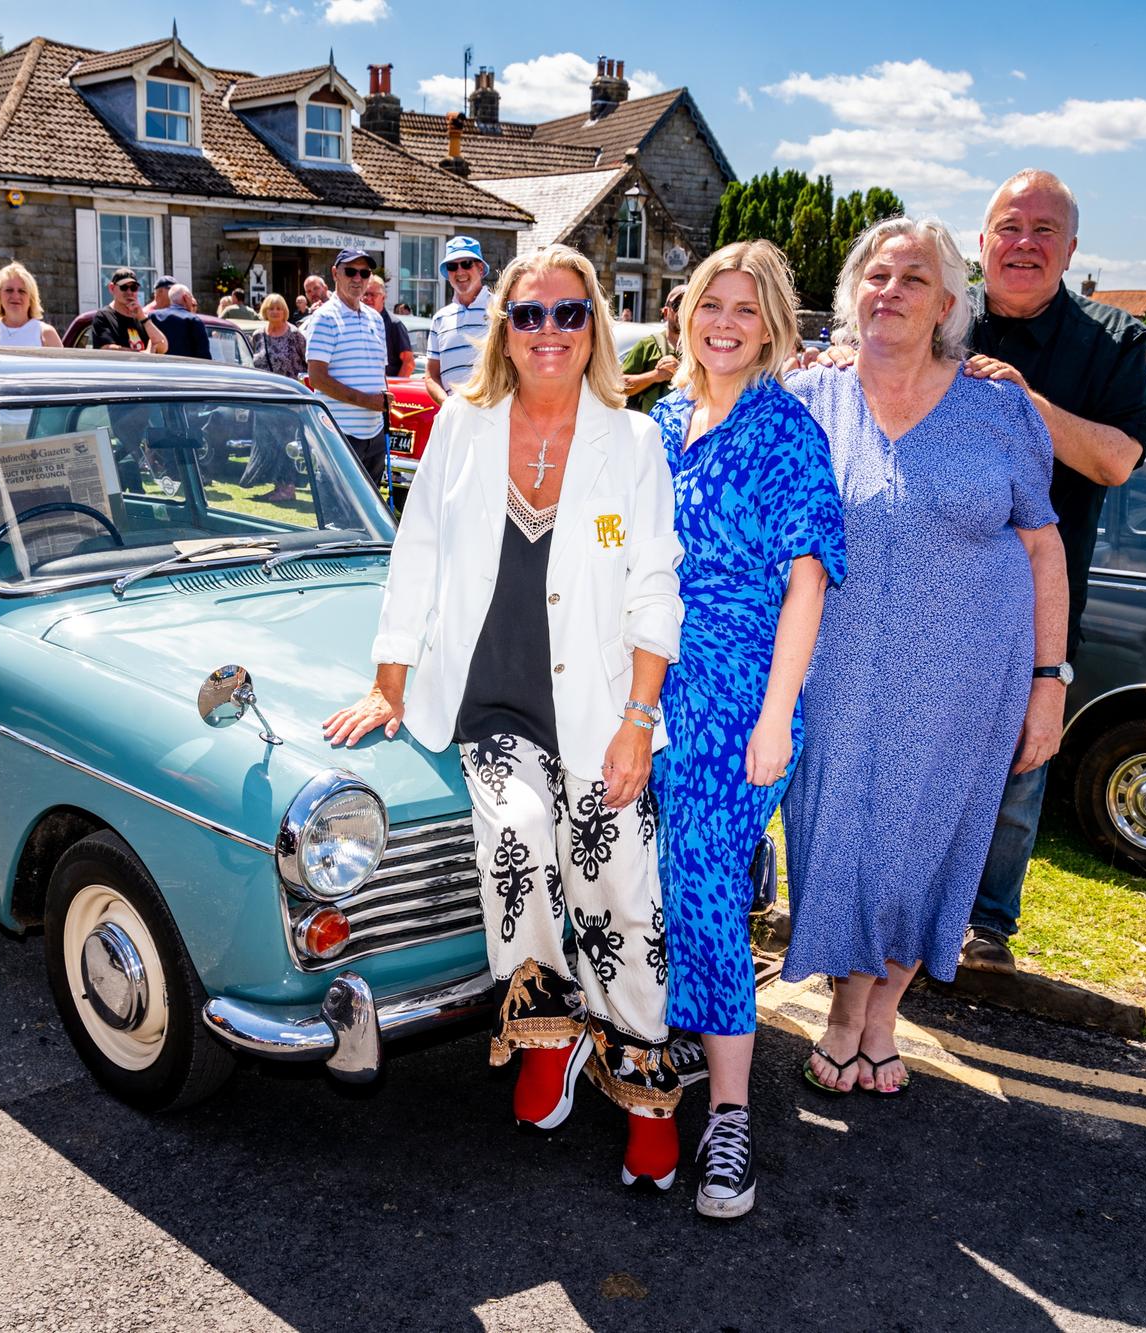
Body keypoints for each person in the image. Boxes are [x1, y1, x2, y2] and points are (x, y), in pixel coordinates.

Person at [323, 243, 686, 1192]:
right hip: (489, 704)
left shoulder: (633, 441)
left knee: (617, 882)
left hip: (602, 709)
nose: (549, 331)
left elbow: (655, 585)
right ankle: (547, 1033)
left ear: (594, 325)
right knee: (517, 843)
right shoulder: (463, 424)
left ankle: (644, 1084)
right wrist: (390, 682)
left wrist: (639, 718)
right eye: (530, 314)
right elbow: (417, 553)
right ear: (504, 329)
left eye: (570, 313)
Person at [784, 215, 1066, 1103]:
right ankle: (846, 1009)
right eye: (876, 275)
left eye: (912, 279)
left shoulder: (999, 407)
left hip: (966, 677)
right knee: (841, 838)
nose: (890, 291)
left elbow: (1043, 547)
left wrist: (1049, 683)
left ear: (947, 304)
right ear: (852, 295)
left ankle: (878, 1016)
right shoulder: (807, 396)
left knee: (929, 843)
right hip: (834, 672)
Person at [649, 240, 844, 1219]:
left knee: (706, 888)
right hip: (649, 685)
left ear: (770, 326)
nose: (723, 323)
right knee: (661, 874)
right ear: (686, 314)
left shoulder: (785, 431)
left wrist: (774, 718)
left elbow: (808, 582)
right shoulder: (661, 421)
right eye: (709, 305)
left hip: (738, 696)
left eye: (744, 308)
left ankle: (729, 1117)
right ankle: (676, 1034)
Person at [953, 170, 1146, 974]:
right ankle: (904, 910)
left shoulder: (1112, 340)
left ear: (1071, 249)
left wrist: (1021, 399)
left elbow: (1116, 460)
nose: (1025, 243)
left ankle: (987, 926)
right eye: (1010, 227)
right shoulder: (942, 314)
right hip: (927, 587)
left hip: (1038, 596)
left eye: (1044, 230)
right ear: (982, 242)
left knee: (1018, 764)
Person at [306, 246, 393, 484]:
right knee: (335, 504)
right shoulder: (324, 317)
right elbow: (317, 378)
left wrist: (382, 401)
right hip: (339, 433)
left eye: (364, 273)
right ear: (335, 273)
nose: (358, 278)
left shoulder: (376, 319)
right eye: (351, 271)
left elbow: (378, 373)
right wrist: (367, 401)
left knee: (369, 504)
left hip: (374, 434)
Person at [244, 293, 310, 500]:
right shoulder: (258, 335)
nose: (275, 312)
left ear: (285, 311)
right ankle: (278, 485)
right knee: (268, 443)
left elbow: (308, 364)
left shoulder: (295, 335)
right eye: (271, 308)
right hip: (265, 399)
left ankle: (288, 487)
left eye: (279, 308)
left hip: (288, 399)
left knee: (285, 443)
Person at [426, 236, 493, 405]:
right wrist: (448, 406)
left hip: (494, 409)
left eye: (466, 264)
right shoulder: (439, 319)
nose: (460, 271)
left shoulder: (500, 309)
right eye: (452, 266)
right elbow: (431, 376)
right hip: (454, 414)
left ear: (480, 268)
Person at [619, 286, 687, 414]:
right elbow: (618, 387)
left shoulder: (703, 350)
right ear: (666, 312)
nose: (683, 312)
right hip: (651, 424)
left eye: (689, 306)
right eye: (677, 306)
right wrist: (655, 376)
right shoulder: (648, 346)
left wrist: (682, 373)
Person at [0, 262, 62, 348]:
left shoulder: (45, 334)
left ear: (31, 298)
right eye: (9, 290)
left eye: (22, 291)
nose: (15, 296)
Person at [87, 267, 168, 354]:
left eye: (133, 287)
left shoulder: (142, 318)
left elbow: (162, 347)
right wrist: (142, 354)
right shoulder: (103, 316)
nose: (129, 292)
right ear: (112, 288)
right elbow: (106, 349)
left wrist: (143, 318)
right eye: (124, 287)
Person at [365, 275, 415, 377]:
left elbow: (409, 363)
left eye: (373, 295)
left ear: (383, 297)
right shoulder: (360, 321)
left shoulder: (394, 324)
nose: (368, 298)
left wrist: (394, 384)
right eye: (365, 294)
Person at [149, 285, 211, 360]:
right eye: (191, 298)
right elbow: (204, 356)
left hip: (158, 365)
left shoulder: (154, 316)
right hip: (185, 366)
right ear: (185, 297)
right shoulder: (193, 320)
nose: (192, 302)